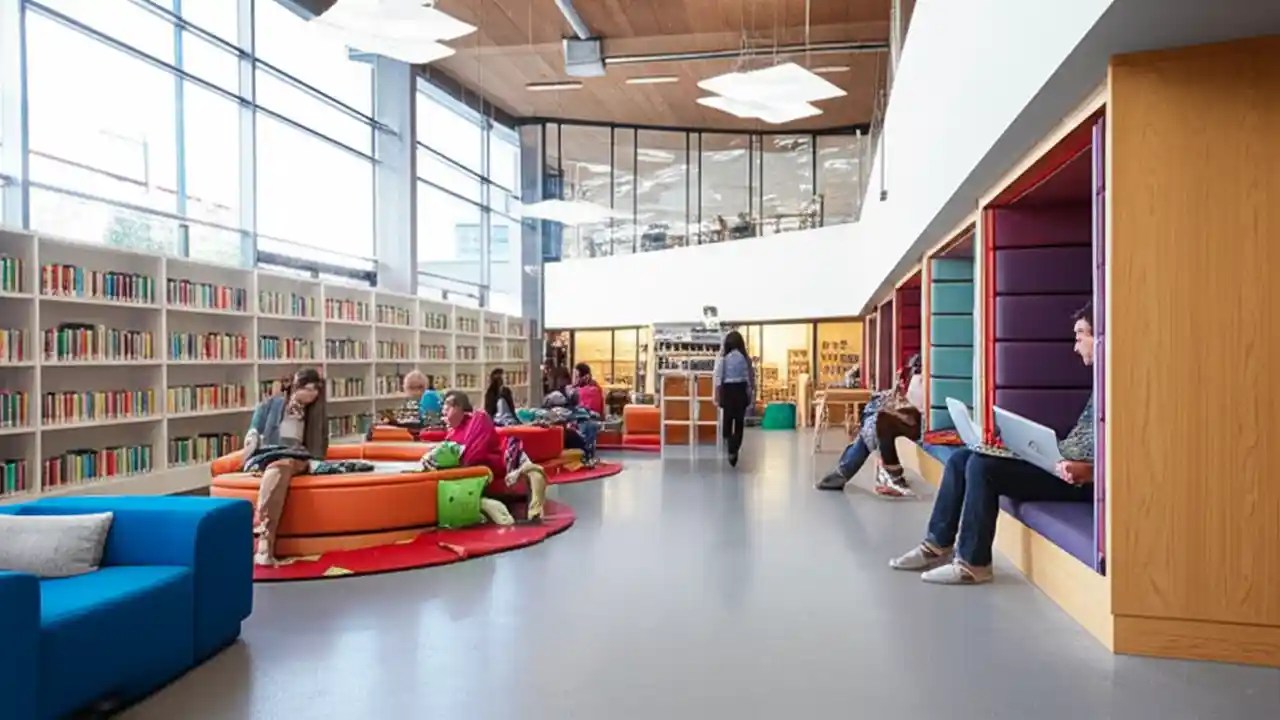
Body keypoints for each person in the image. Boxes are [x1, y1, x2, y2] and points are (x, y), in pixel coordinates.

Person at [890, 303, 1096, 585]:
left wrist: (1091, 472)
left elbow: (1124, 457)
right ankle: (936, 545)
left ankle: (973, 563)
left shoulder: (1119, 387)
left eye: (1080, 335)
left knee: (982, 467)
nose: (1076, 346)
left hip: (1078, 480)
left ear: (1101, 337)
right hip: (1060, 462)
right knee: (962, 458)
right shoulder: (1102, 381)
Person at [242, 368, 328, 566]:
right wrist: (252, 439)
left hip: (298, 457)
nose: (312, 394)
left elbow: (319, 447)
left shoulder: (315, 413)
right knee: (277, 465)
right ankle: (263, 543)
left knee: (282, 465)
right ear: (295, 386)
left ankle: (262, 530)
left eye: (316, 390)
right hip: (270, 454)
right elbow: (254, 430)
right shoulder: (272, 404)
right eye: (308, 388)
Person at [816, 354, 924, 496]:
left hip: (922, 423)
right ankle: (881, 474)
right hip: (915, 418)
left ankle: (844, 472)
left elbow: (918, 409)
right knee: (874, 416)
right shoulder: (921, 379)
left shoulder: (925, 382)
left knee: (873, 424)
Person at [442, 390, 547, 521]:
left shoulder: (478, 418)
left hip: (507, 454)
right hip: (489, 469)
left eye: (449, 405)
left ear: (461, 407)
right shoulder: (451, 436)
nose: (444, 409)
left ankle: (535, 508)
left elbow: (473, 454)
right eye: (444, 405)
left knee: (535, 473)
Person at [713, 330, 755, 467]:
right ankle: (734, 448)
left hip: (728, 390)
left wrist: (717, 393)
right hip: (741, 390)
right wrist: (750, 394)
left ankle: (728, 442)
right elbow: (749, 378)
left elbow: (718, 376)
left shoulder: (724, 358)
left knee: (727, 419)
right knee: (739, 422)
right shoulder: (745, 358)